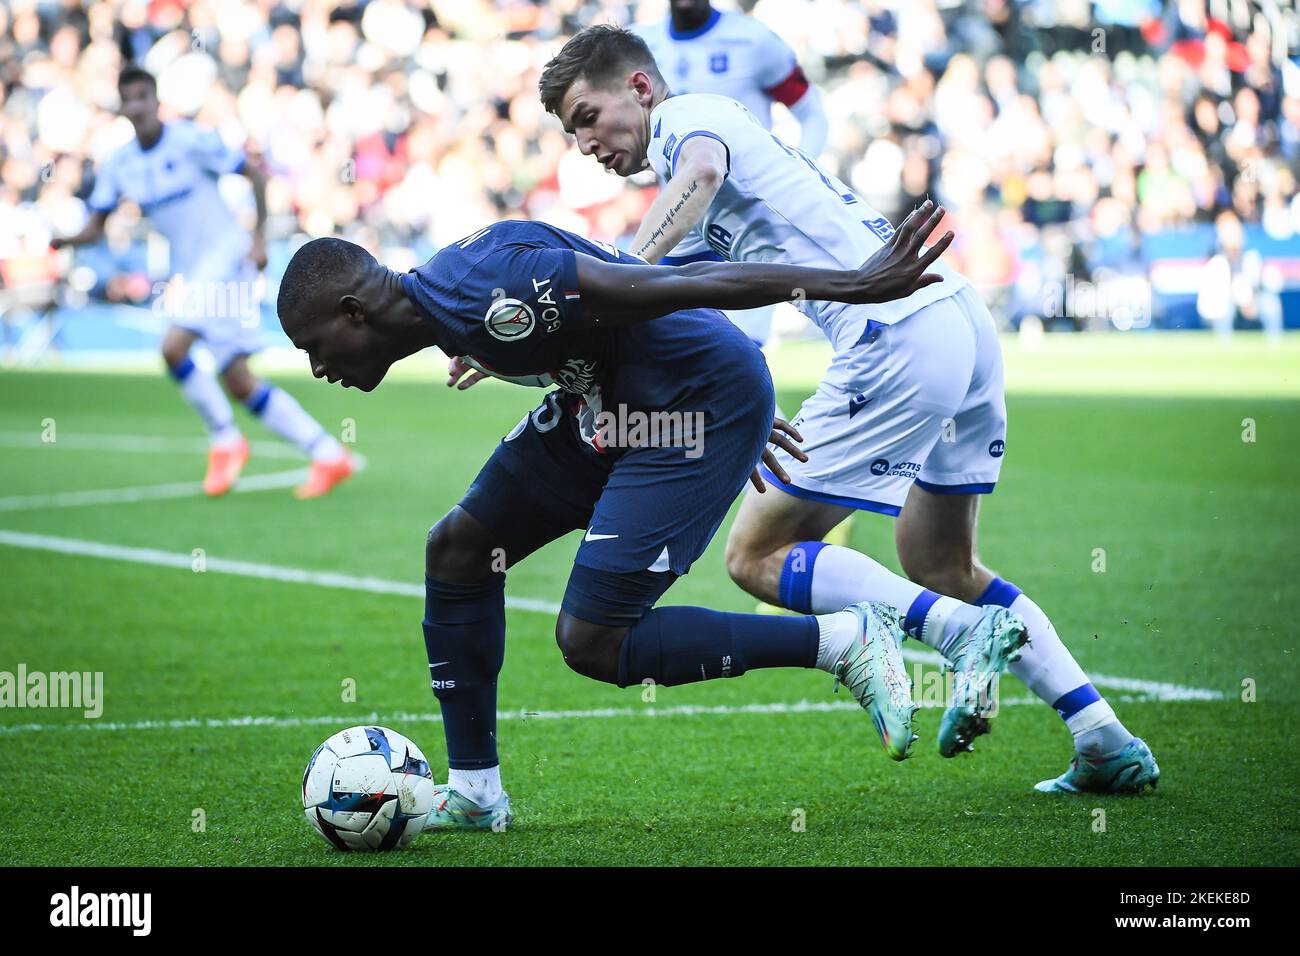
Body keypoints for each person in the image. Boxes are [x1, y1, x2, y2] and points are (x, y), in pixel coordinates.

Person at [540, 25, 1159, 794]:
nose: (586, 143)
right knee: (941, 564)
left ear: (637, 88)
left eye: (587, 117)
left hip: (894, 332)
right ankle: (1101, 735)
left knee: (753, 555)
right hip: (956, 320)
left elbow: (693, 178)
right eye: (571, 135)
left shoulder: (687, 124)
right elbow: (690, 291)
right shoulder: (725, 164)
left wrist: (632, 272)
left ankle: (961, 633)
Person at [275, 210, 985, 829]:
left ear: (353, 311)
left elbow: (676, 284)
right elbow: (619, 276)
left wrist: (847, 288)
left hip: (692, 406)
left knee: (592, 642)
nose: (316, 368)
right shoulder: (453, 305)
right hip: (618, 407)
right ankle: (474, 794)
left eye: (313, 346)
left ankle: (843, 640)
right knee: (460, 550)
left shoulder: (480, 294)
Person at [52, 66, 354, 500]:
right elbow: (95, 225)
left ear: (156, 101)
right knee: (237, 379)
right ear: (121, 107)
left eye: (142, 96)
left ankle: (226, 442)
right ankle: (326, 453)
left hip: (228, 256)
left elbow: (254, 174)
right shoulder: (119, 164)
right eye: (128, 98)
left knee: (173, 347)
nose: (136, 105)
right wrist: (61, 239)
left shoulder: (191, 140)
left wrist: (257, 236)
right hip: (193, 270)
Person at [631, 0, 828, 348]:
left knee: (738, 351)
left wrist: (797, 175)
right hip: (681, 225)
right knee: (689, 357)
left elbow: (812, 114)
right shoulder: (643, 46)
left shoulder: (753, 40)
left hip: (746, 220)